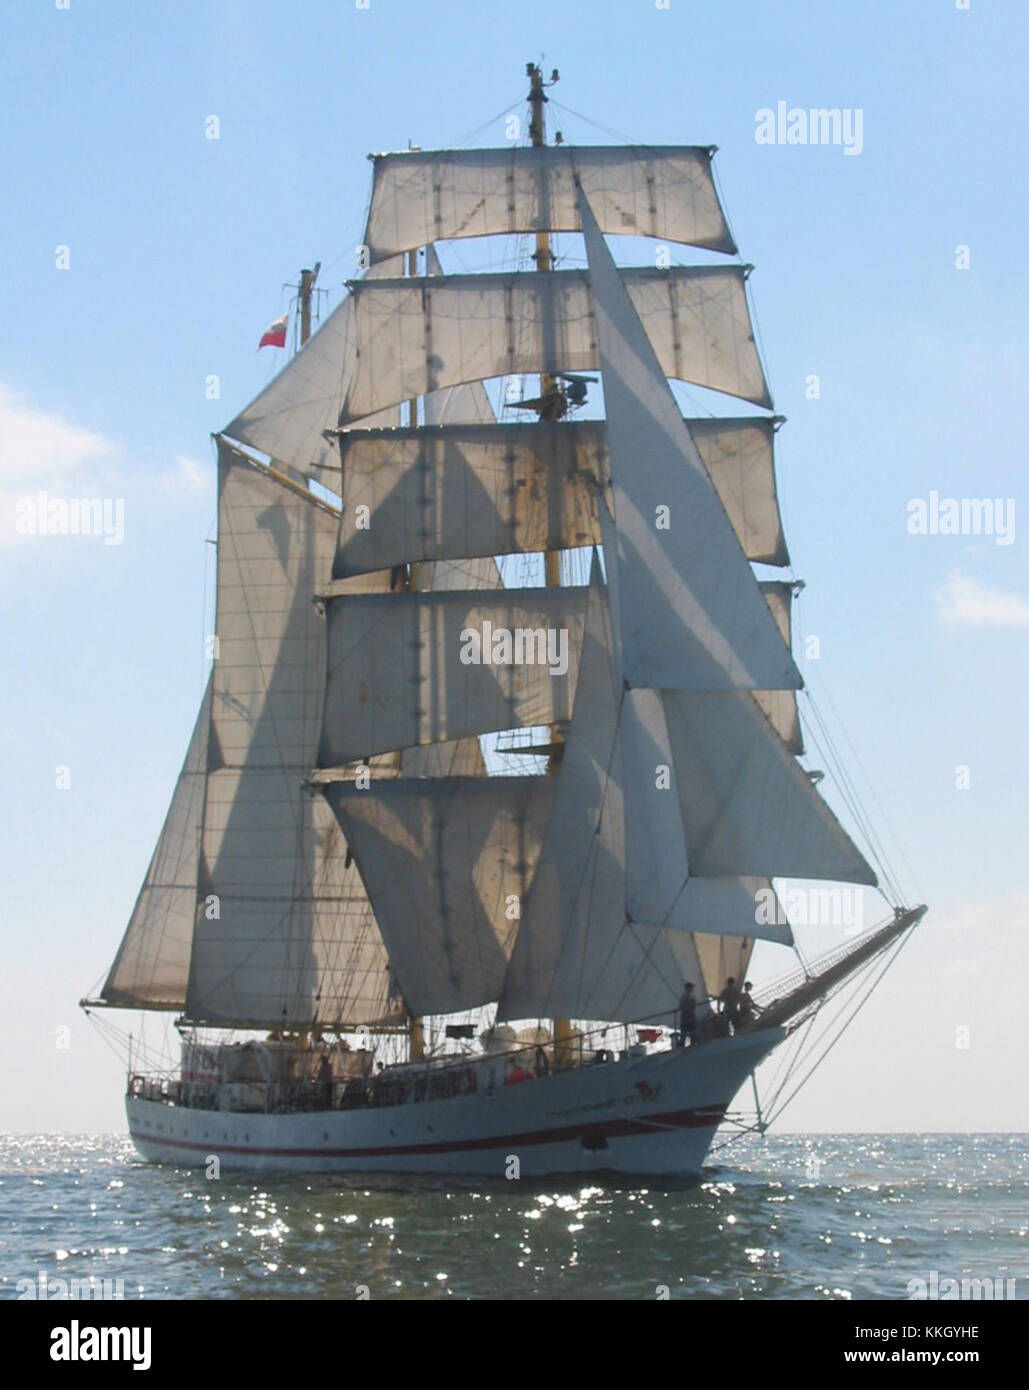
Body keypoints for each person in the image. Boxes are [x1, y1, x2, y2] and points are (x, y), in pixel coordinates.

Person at [679, 981, 698, 1046]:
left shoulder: (689, 997)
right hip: (687, 1016)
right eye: (691, 988)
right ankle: (683, 1046)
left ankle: (692, 1044)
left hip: (689, 1016)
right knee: (686, 1033)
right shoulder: (685, 997)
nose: (692, 989)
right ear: (688, 989)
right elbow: (682, 1007)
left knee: (691, 1032)